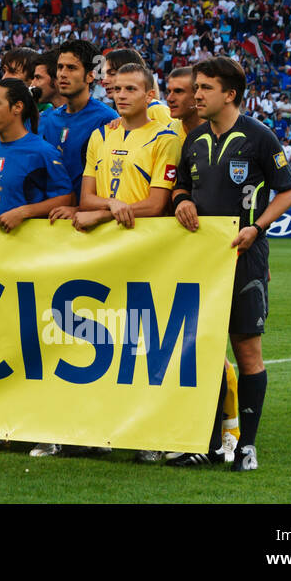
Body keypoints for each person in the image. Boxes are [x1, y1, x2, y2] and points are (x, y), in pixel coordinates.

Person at [168, 57, 291, 471]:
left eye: (205, 88)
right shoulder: (193, 139)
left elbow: (287, 192)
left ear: (230, 94)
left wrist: (256, 229)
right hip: (202, 260)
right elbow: (181, 185)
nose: (196, 95)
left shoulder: (259, 137)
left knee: (246, 352)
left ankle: (246, 447)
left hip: (245, 258)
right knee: (202, 352)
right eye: (196, 87)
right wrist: (182, 200)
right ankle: (203, 444)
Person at [48, 64, 182, 462]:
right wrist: (109, 206)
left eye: (131, 89)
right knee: (98, 341)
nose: (121, 95)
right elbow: (85, 198)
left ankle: (152, 436)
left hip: (147, 253)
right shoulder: (100, 135)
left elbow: (157, 204)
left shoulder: (165, 138)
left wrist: (104, 213)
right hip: (102, 253)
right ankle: (93, 431)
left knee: (143, 344)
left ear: (148, 95)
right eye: (117, 88)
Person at [0, 78, 73, 230]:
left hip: (26, 247)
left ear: (17, 107)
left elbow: (67, 198)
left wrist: (24, 212)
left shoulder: (43, 151)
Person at [38, 39, 116, 202]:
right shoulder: (46, 119)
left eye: (71, 68)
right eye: (60, 67)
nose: (62, 74)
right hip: (46, 219)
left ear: (90, 75)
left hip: (84, 218)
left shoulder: (106, 120)